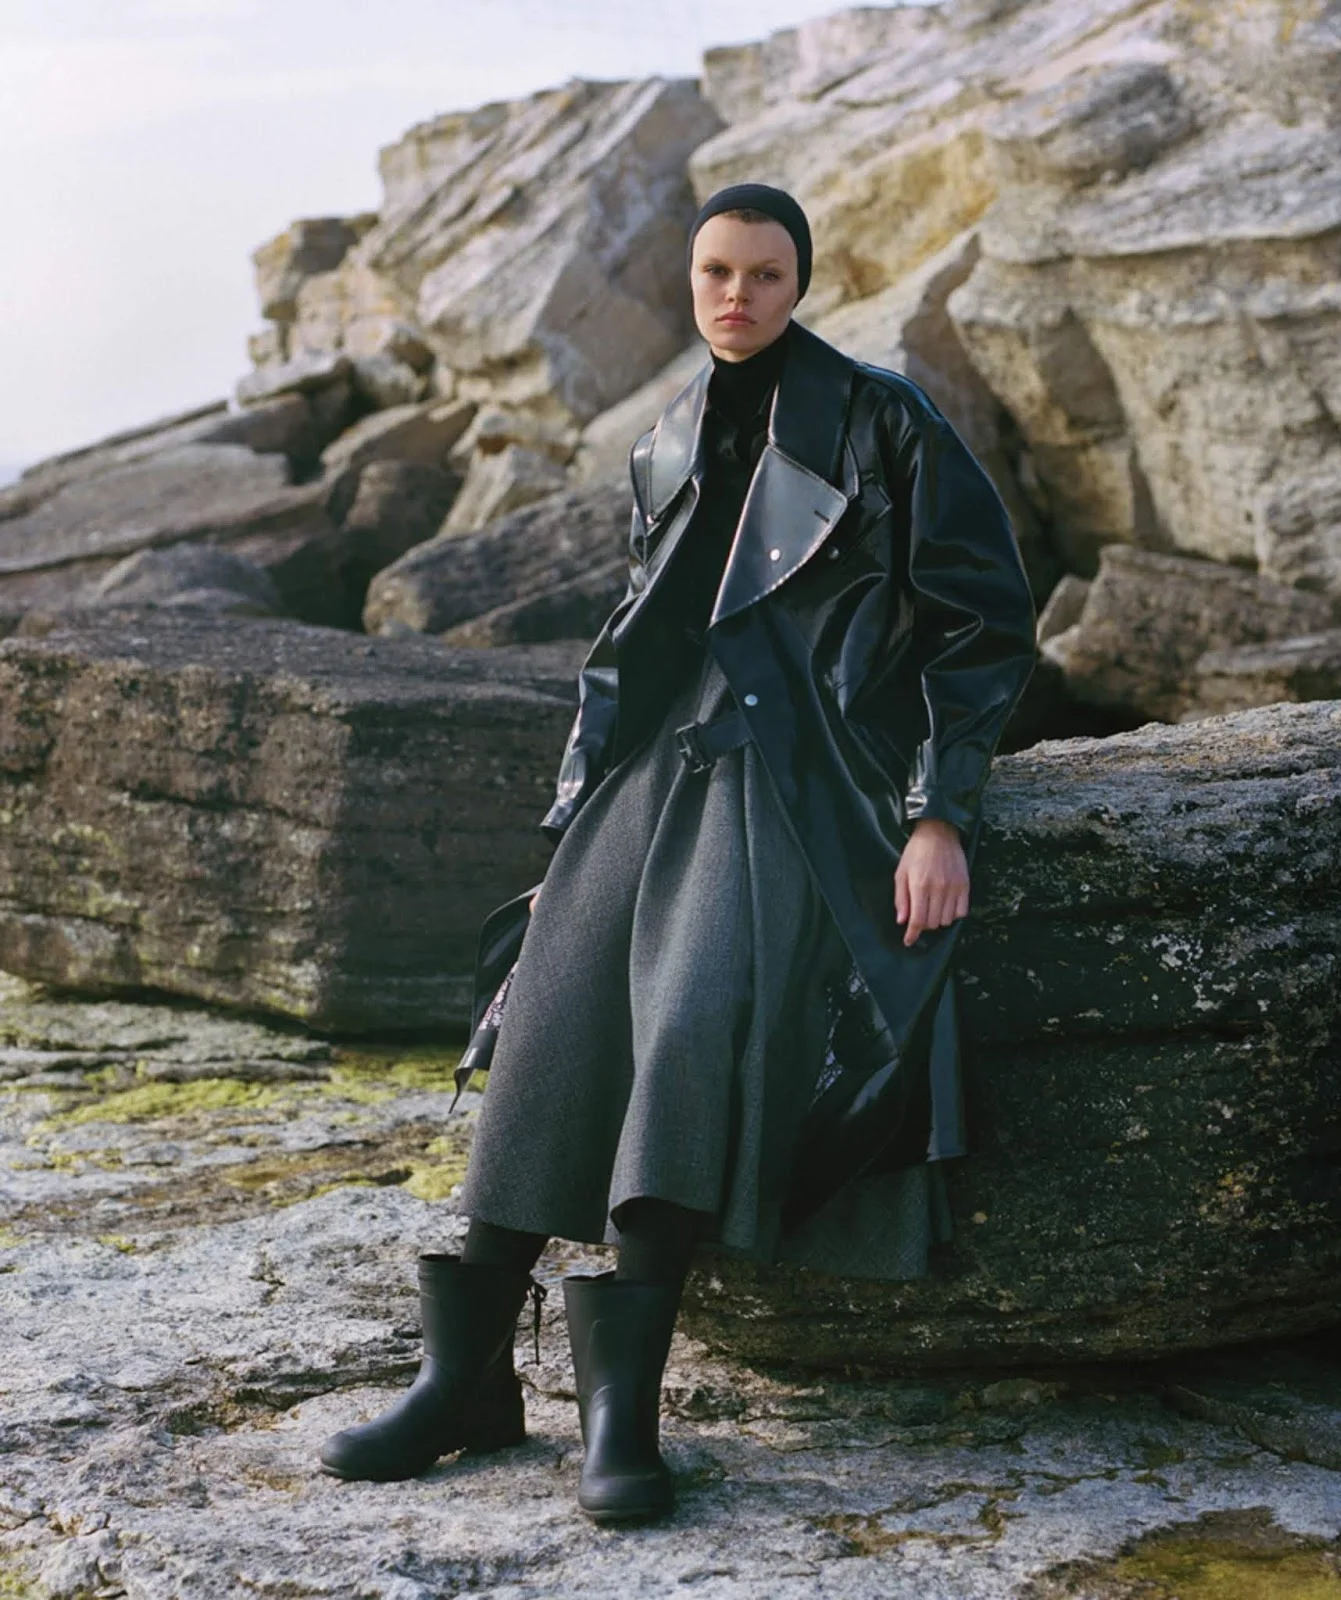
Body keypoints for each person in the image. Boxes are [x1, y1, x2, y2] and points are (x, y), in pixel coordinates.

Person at [319, 184, 1039, 1523]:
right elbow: (628, 649)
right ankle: (466, 1377)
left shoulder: (884, 421)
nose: (737, 297)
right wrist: (570, 826)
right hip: (658, 768)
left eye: (766, 275)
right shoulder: (667, 434)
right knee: (550, 1007)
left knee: (699, 1017)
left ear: (800, 283)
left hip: (806, 771)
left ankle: (620, 1420)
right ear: (689, 282)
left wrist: (940, 809)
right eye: (716, 272)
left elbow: (984, 621)